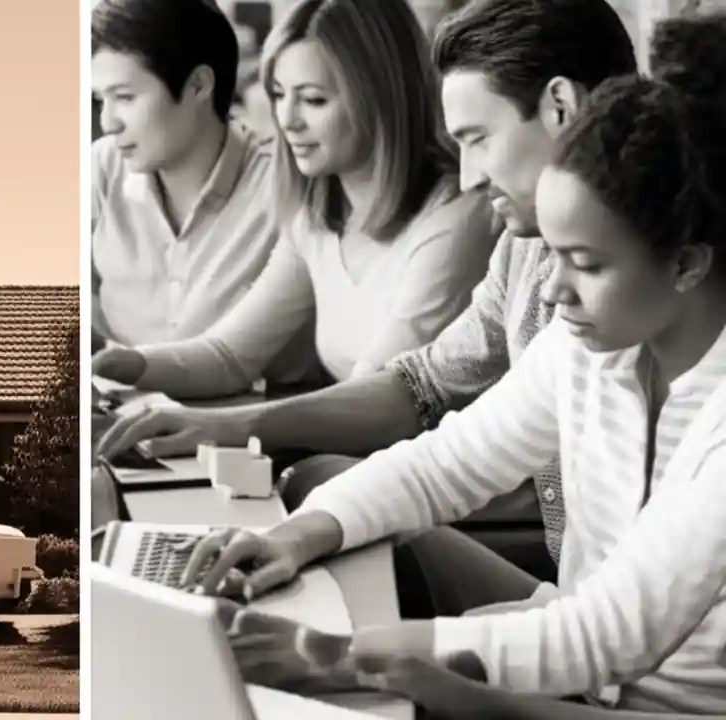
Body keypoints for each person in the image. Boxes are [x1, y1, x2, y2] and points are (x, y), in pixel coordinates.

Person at [188, 14, 726, 715]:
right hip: (582, 660)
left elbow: (605, 634)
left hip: (649, 699)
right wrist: (291, 538)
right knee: (335, 533)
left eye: (586, 263)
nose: (554, 290)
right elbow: (452, 459)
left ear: (686, 264)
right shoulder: (591, 341)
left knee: (402, 686)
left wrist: (340, 656)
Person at [96, 0, 640, 560]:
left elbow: (621, 603)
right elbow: (429, 402)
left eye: (478, 139)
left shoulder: (485, 229)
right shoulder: (519, 249)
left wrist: (244, 438)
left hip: (524, 550)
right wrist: (223, 431)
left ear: (560, 108)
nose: (470, 178)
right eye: (279, 95)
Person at [93, 0, 496, 400]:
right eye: (279, 94)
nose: (287, 120)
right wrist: (123, 363)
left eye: (314, 99)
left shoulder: (458, 216)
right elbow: (230, 355)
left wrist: (230, 427)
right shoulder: (316, 216)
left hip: (399, 437)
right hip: (347, 435)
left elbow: (378, 395)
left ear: (382, 96)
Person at [91, 0, 280, 353]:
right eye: (101, 100)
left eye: (125, 97)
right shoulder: (101, 168)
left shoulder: (282, 183)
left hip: (252, 390)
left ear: (198, 85)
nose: (108, 123)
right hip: (114, 387)